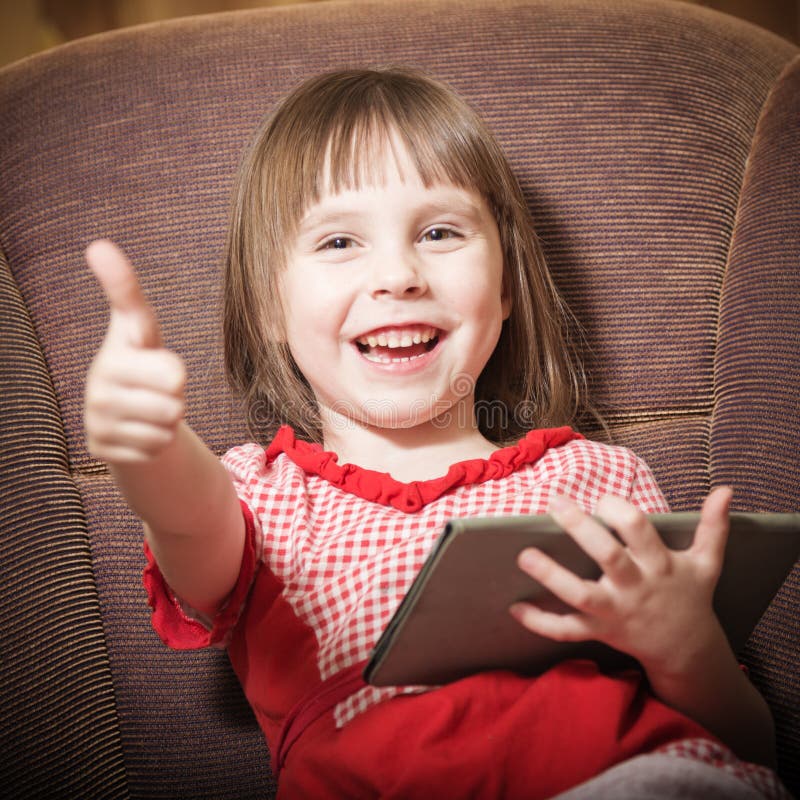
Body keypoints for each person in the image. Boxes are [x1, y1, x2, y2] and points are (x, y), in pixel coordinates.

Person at [83, 68, 787, 799]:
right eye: (337, 242)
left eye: (441, 232)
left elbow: (751, 749)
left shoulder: (604, 480)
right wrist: (152, 446)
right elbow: (190, 521)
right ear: (267, 306)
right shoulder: (268, 497)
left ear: (508, 287)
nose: (399, 274)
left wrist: (683, 646)